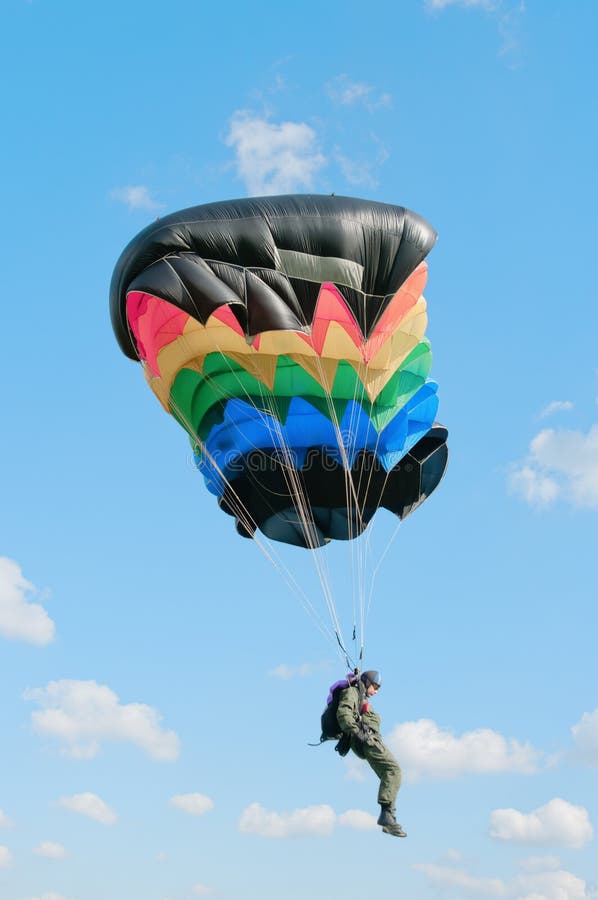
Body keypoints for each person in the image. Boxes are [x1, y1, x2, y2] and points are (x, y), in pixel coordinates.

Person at [335, 670, 406, 838]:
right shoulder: (352, 692)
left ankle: (388, 818)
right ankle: (387, 815)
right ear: (366, 682)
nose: (376, 691)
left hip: (368, 740)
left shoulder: (359, 695)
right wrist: (358, 732)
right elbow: (343, 713)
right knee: (393, 770)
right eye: (374, 686)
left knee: (388, 774)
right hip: (367, 740)